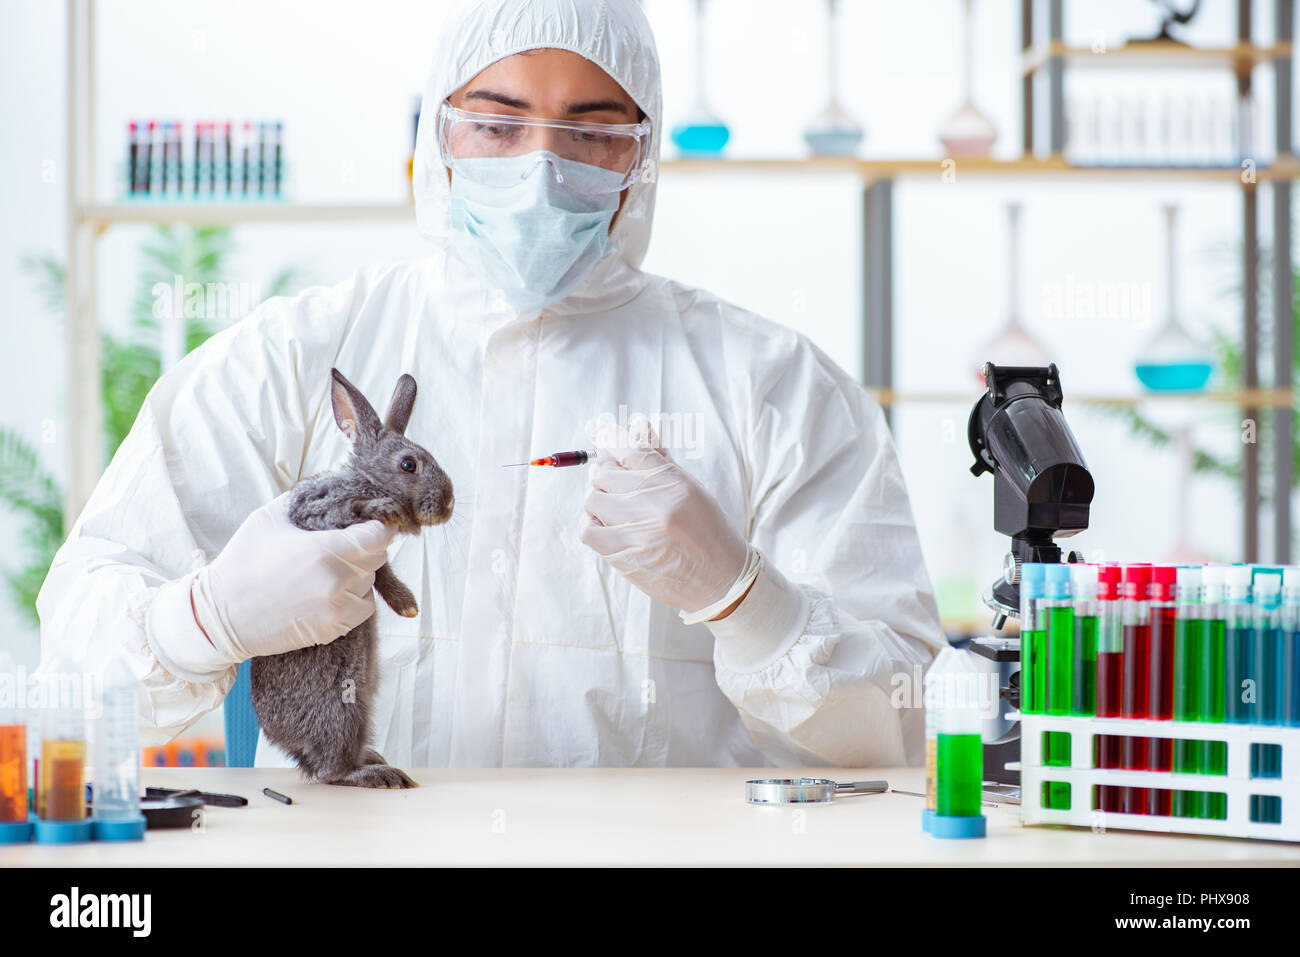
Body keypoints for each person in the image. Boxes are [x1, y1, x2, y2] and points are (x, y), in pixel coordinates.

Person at [37, 0, 944, 769]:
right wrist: (208, 615)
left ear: (643, 151)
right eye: (498, 123)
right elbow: (73, 660)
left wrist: (746, 599)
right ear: (438, 131)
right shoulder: (295, 354)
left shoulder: (774, 386)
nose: (541, 171)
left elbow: (905, 727)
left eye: (593, 132)